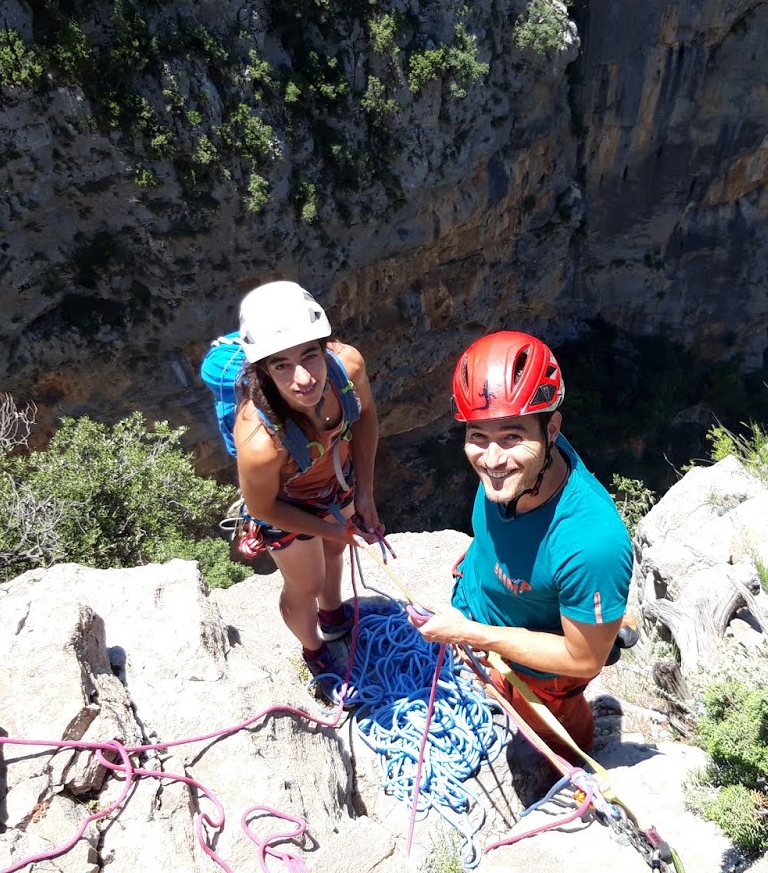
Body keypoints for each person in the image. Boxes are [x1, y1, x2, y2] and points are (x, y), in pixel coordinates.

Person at [417, 330, 633, 761]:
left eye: (512, 437)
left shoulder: (591, 543)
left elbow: (582, 660)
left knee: (553, 735)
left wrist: (472, 634)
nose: (492, 459)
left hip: (541, 673)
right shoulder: (521, 469)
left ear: (553, 429)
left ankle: (571, 764)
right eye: (478, 436)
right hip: (483, 608)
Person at [233, 281, 381, 683]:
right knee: (305, 582)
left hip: (337, 481)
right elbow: (264, 508)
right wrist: (327, 525)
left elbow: (365, 416)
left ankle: (332, 613)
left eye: (310, 356)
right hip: (286, 505)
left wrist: (365, 493)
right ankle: (313, 649)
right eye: (280, 364)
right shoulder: (259, 439)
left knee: (336, 550)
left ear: (324, 346)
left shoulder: (347, 367)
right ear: (262, 369)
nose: (303, 378)